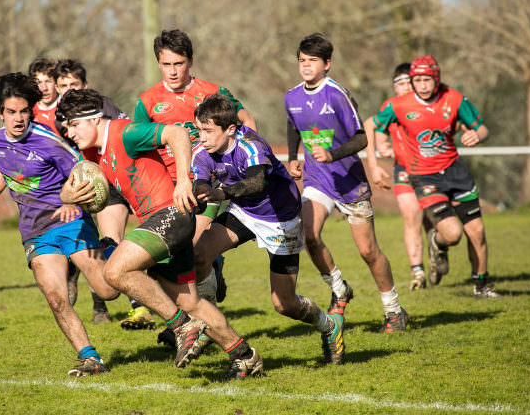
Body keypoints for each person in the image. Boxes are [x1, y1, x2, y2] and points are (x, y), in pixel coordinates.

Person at [58, 89, 263, 380]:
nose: (70, 133)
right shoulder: (92, 153)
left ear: (94, 119)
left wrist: (182, 182)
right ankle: (244, 356)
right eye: (66, 128)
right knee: (190, 301)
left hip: (171, 214)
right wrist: (69, 194)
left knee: (114, 271)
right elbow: (69, 185)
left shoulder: (124, 132)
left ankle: (182, 326)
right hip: (160, 223)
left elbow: (176, 135)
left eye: (73, 125)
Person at [0, 73, 119, 377]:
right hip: (35, 231)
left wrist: (70, 201)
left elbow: (83, 172)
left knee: (108, 291)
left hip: (71, 221)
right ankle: (91, 358)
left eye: (24, 111)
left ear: (32, 111)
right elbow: (7, 166)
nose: (19, 118)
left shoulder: (49, 140)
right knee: (55, 297)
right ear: (0, 113)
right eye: (11, 112)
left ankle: (114, 249)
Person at [191, 94, 345, 364]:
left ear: (230, 129)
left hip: (279, 217)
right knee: (200, 254)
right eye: (199, 130)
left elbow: (257, 183)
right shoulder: (201, 150)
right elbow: (201, 179)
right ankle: (209, 321)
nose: (201, 137)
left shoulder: (251, 145)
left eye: (207, 131)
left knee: (284, 304)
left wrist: (220, 192)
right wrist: (200, 191)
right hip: (244, 211)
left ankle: (329, 325)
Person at [132, 29, 257, 331]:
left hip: (206, 185)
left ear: (190, 61)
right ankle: (196, 307)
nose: (173, 71)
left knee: (197, 248)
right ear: (158, 64)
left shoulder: (212, 91)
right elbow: (136, 144)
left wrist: (249, 155)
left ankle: (205, 325)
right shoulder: (147, 101)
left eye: (179, 63)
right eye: (167, 65)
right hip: (169, 189)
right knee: (170, 258)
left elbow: (246, 120)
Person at [284, 33, 408, 332]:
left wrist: (332, 154)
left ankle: (394, 309)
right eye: (302, 61)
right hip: (317, 180)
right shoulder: (292, 97)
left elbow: (362, 138)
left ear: (327, 64)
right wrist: (292, 157)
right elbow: (292, 124)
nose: (305, 66)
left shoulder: (338, 95)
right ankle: (339, 288)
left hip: (350, 182)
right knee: (309, 235)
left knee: (368, 251)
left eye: (312, 61)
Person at [364, 56, 499, 297]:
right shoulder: (399, 105)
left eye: (427, 80)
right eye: (418, 80)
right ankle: (434, 246)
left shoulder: (454, 98)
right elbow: (370, 125)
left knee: (476, 230)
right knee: (453, 234)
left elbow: (482, 128)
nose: (423, 85)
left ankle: (482, 285)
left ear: (437, 79)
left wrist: (478, 135)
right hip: (424, 176)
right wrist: (374, 166)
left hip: (456, 172)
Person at [52, 58, 131, 324]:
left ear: (85, 85)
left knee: (111, 245)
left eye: (73, 84)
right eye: (62, 85)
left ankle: (109, 304)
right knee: (85, 242)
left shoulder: (103, 105)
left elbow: (123, 135)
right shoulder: (56, 119)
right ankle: (86, 284)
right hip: (78, 184)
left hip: (111, 183)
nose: (68, 89)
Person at [365, 63, 431, 290]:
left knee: (437, 222)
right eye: (398, 83)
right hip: (403, 170)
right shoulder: (390, 106)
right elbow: (379, 130)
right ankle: (418, 272)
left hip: (433, 171)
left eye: (406, 82)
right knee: (410, 215)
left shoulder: (428, 103)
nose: (403, 87)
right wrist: (383, 147)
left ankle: (437, 246)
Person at [29, 58, 60, 133]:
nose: (44, 88)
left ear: (56, 83)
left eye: (48, 81)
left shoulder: (65, 108)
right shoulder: (28, 111)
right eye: (39, 82)